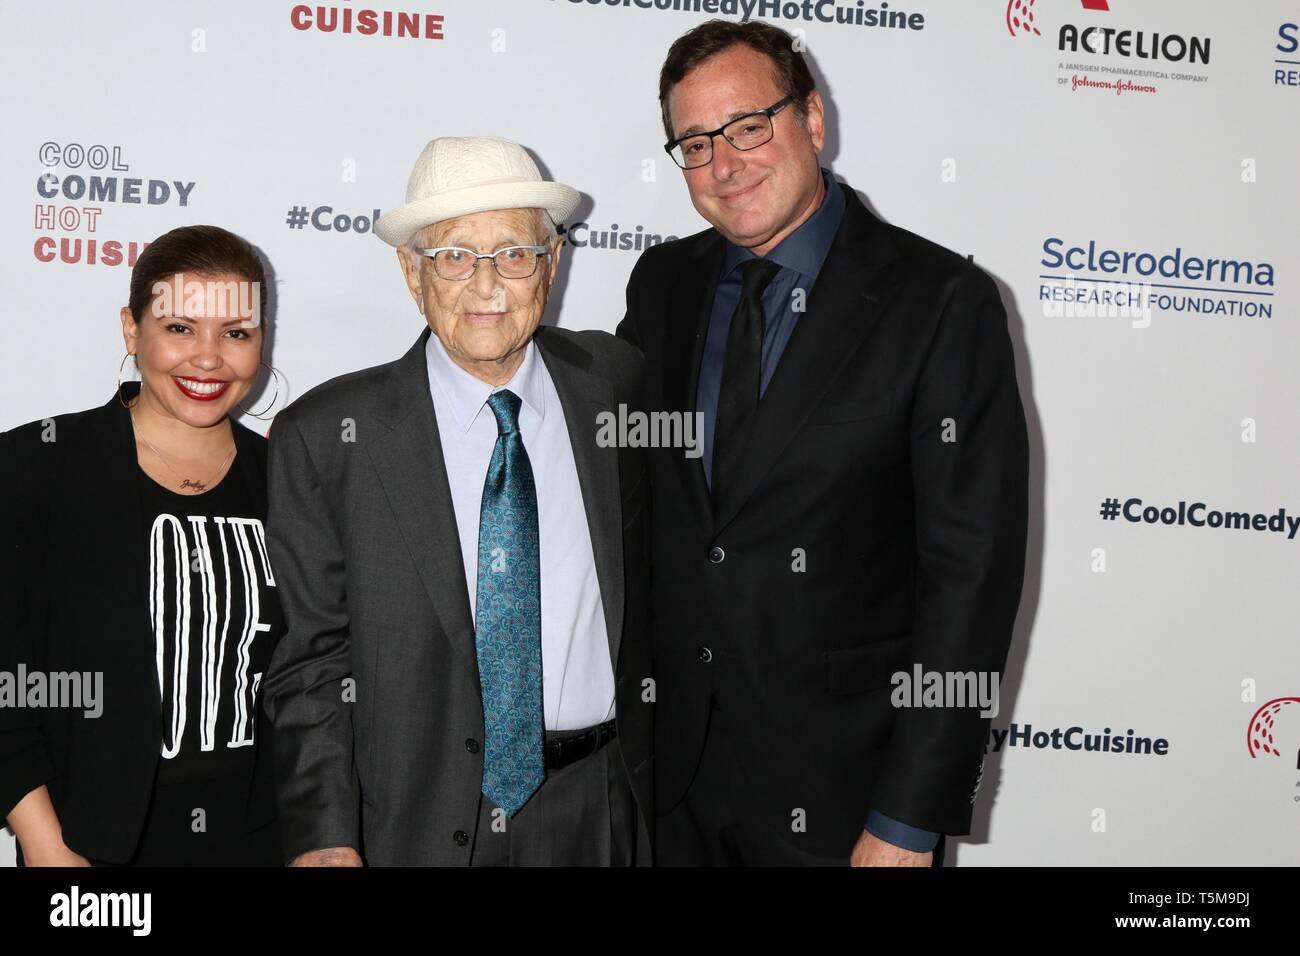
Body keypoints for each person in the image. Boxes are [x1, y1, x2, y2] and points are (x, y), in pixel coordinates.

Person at [617, 20, 1030, 866]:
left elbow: (970, 580)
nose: (724, 165)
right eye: (694, 144)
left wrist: (909, 822)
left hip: (848, 803)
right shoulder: (664, 285)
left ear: (812, 119)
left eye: (748, 128)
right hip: (667, 796)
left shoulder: (941, 302)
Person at [262, 135, 653, 866]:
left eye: (513, 253)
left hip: (599, 813)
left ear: (552, 264)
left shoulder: (617, 384)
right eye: (454, 257)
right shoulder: (326, 438)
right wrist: (324, 837)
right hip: (412, 824)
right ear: (413, 273)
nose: (487, 286)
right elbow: (309, 663)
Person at [0, 225, 284, 866]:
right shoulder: (37, 466)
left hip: (263, 841)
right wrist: (48, 848)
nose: (208, 359)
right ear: (133, 330)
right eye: (180, 328)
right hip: (88, 848)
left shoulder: (291, 481)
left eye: (235, 333)